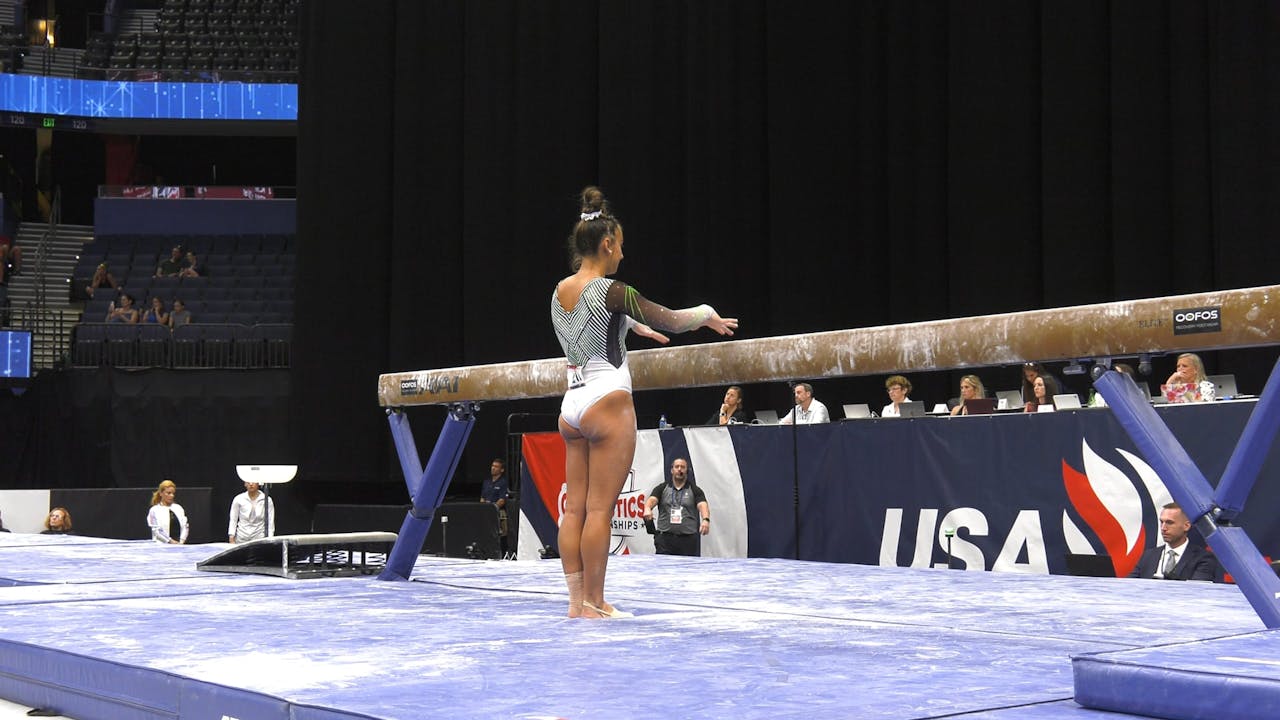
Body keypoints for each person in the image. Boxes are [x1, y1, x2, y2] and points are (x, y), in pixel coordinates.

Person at [551, 186, 736, 619]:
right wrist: (706, 312)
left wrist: (630, 326)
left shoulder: (559, 290)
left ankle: (577, 603)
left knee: (575, 509)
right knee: (600, 510)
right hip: (607, 402)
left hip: (572, 405)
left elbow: (585, 321)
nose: (622, 253)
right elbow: (673, 320)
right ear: (607, 243)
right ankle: (595, 603)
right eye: (620, 246)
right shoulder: (615, 290)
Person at [1128, 502, 1218, 581]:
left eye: (1169, 523)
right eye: (1161, 522)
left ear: (1186, 526)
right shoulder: (1148, 556)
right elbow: (1130, 585)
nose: (1163, 528)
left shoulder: (1203, 558)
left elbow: (1197, 590)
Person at [643, 457, 710, 556]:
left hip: (687, 540)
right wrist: (647, 508)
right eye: (677, 467)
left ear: (687, 470)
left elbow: (702, 504)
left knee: (687, 565)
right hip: (665, 540)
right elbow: (652, 500)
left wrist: (706, 519)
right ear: (672, 470)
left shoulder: (694, 489)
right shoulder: (662, 488)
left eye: (682, 467)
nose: (679, 469)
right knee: (663, 565)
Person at [480, 457, 510, 550]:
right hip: (485, 512)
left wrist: (492, 508)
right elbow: (482, 497)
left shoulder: (503, 483)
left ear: (502, 470)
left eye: (496, 467)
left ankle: (502, 552)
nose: (493, 468)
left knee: (501, 534)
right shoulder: (486, 482)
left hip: (498, 512)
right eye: (492, 466)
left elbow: (502, 500)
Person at [147, 479, 189, 544]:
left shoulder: (178, 508)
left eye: (173, 493)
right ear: (161, 493)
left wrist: (181, 541)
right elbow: (156, 530)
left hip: (179, 545)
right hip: (161, 546)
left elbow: (185, 526)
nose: (172, 495)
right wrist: (171, 541)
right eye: (168, 493)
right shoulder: (154, 510)